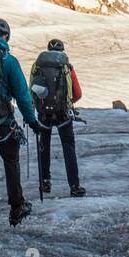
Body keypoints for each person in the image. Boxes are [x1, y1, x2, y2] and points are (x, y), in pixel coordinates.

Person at [0, 18, 42, 237]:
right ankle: (16, 207)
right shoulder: (8, 60)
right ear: (6, 37)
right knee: (11, 162)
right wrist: (32, 121)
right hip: (2, 122)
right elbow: (22, 94)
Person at [29, 38, 86, 197]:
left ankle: (45, 182)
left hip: (43, 114)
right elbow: (78, 93)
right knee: (68, 148)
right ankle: (74, 186)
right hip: (63, 114)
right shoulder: (66, 67)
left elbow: (31, 89)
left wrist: (37, 105)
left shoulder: (37, 66)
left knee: (44, 146)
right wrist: (68, 103)